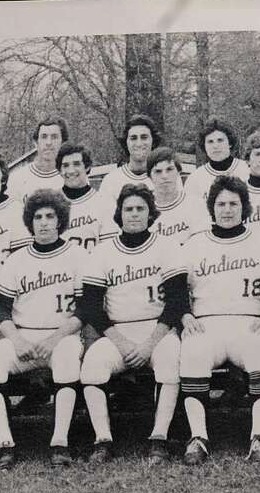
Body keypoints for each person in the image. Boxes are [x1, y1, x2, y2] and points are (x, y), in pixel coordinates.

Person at [171, 176, 260, 465]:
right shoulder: (195, 243)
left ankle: (259, 436)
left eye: (234, 203)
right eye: (221, 204)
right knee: (192, 351)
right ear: (211, 208)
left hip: (249, 319)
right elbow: (175, 288)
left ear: (245, 207)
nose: (227, 209)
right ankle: (198, 436)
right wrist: (184, 314)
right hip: (207, 321)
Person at [78, 184, 185, 462]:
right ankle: (103, 440)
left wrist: (150, 344)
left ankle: (159, 438)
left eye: (140, 208)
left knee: (170, 359)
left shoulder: (167, 246)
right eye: (128, 209)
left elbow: (177, 302)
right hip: (118, 331)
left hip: (157, 329)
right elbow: (90, 306)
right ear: (119, 214)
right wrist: (121, 342)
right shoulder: (103, 251)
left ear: (151, 213)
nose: (134, 214)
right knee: (92, 365)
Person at [0, 189, 86, 470]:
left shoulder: (77, 254)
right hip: (23, 335)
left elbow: (86, 310)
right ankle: (5, 443)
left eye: (50, 216)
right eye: (37, 217)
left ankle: (59, 442)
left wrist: (55, 338)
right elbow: (0, 309)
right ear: (30, 222)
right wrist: (15, 339)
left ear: (60, 220)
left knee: (66, 361)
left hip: (62, 335)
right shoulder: (16, 259)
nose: (43, 222)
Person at [54, 142, 114, 252]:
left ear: (87, 167)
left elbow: (109, 250)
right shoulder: (51, 202)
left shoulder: (104, 203)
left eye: (76, 164)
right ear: (60, 170)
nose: (71, 170)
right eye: (65, 165)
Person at [183, 117, 249, 207]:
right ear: (204, 146)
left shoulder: (247, 169)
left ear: (230, 143)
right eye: (210, 142)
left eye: (220, 140)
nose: (215, 146)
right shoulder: (195, 179)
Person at [145, 147, 206, 244]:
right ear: (150, 176)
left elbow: (201, 246)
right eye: (158, 171)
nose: (164, 176)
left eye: (169, 169)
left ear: (178, 172)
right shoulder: (143, 209)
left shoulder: (196, 205)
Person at [97, 114, 160, 205]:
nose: (139, 143)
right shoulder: (111, 181)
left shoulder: (167, 176)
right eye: (133, 138)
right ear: (126, 143)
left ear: (153, 141)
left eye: (144, 137)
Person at [6, 116, 67, 203]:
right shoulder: (16, 179)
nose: (48, 143)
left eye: (54, 137)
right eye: (44, 137)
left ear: (63, 143)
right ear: (35, 143)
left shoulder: (72, 178)